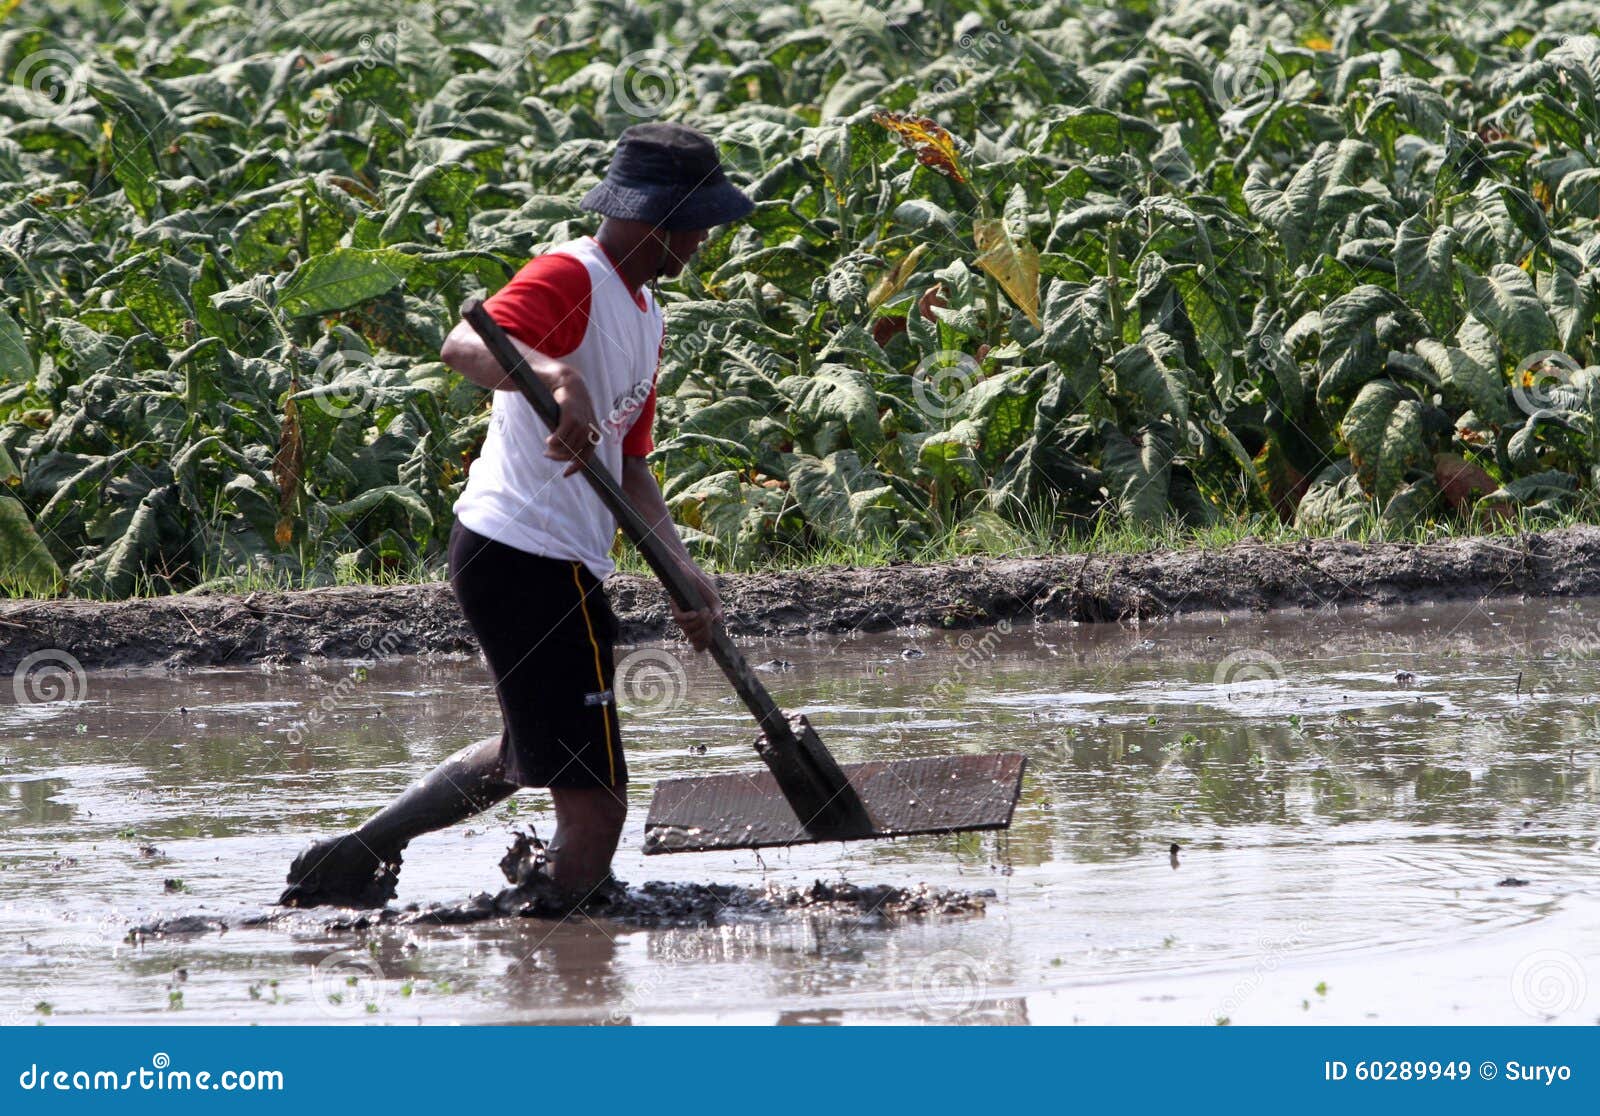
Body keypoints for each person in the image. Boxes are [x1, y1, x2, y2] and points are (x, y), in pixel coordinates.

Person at [279, 122, 754, 909]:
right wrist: (558, 377)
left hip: (543, 559)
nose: (705, 238)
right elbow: (464, 346)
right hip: (529, 558)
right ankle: (548, 940)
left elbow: (630, 463)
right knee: (598, 810)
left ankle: (356, 853)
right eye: (698, 221)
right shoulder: (573, 274)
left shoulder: (646, 313)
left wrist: (683, 571)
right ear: (656, 220)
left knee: (525, 749)